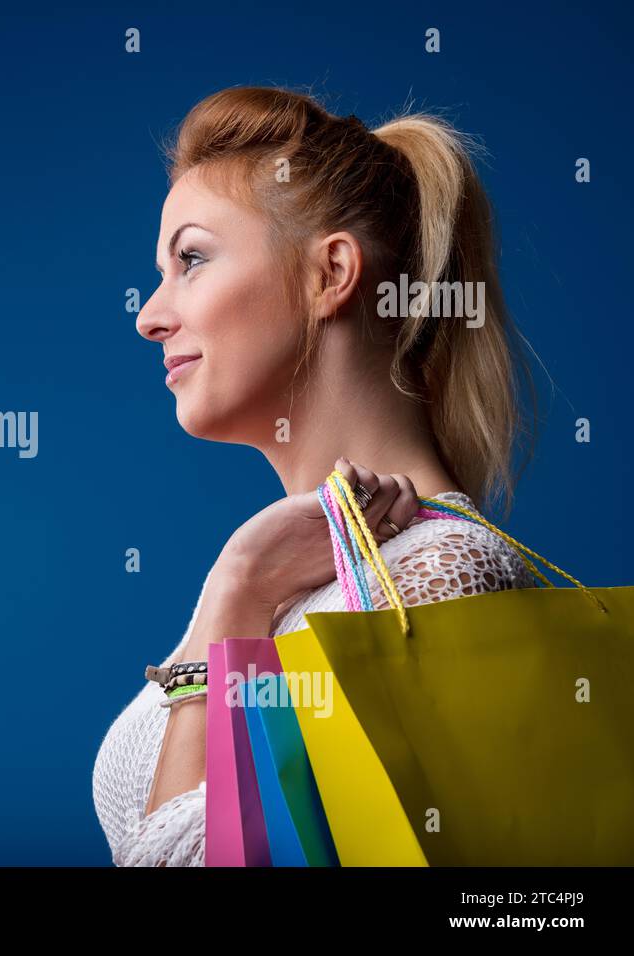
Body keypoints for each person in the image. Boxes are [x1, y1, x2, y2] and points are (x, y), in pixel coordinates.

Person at [92, 86, 539, 866]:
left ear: (331, 272)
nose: (149, 315)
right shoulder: (300, 574)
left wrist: (237, 592)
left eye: (190, 259)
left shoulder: (441, 578)